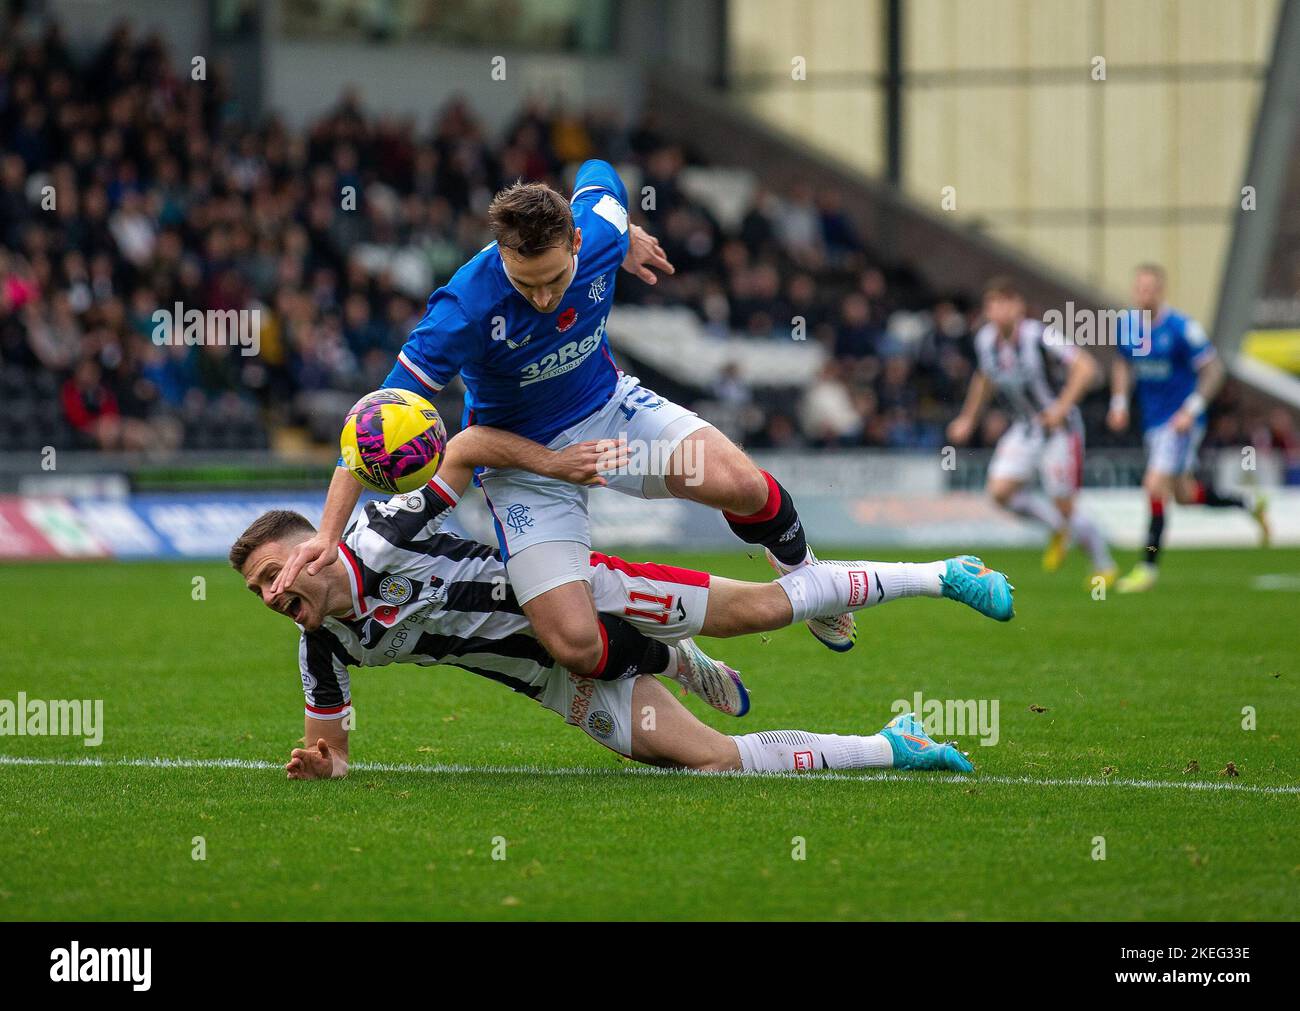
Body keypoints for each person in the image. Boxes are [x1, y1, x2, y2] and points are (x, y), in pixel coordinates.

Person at [271, 162, 857, 698]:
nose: (545, 297)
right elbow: (373, 425)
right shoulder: (463, 309)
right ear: (502, 256)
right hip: (520, 463)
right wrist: (327, 533)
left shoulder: (599, 227)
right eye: (527, 286)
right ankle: (675, 660)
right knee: (574, 642)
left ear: (578, 242)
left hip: (609, 412)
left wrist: (627, 237)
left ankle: (806, 575)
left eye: (554, 279)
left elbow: (599, 175)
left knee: (742, 484)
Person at [232, 432, 1017, 780]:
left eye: (273, 573)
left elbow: (465, 446)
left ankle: (944, 571)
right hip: (557, 680)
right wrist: (320, 765)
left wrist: (547, 461)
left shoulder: (385, 528)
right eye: (258, 590)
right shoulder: (322, 647)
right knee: (712, 761)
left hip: (581, 592)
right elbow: (331, 750)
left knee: (764, 608)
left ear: (312, 547)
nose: (271, 595)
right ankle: (892, 746)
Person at [1108, 264, 1269, 593]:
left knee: (1154, 486)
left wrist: (1191, 409)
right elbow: (1122, 363)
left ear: (1161, 291)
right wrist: (1119, 403)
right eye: (1139, 288)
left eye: (1150, 288)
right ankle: (1249, 504)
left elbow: (1213, 370)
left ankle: (1146, 567)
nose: (1144, 294)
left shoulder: (1182, 328)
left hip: (1180, 424)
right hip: (1154, 424)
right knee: (1184, 495)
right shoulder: (1127, 326)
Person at [947, 277, 1116, 587]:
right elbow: (984, 377)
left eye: (1004, 302)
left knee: (1065, 504)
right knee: (999, 492)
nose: (998, 310)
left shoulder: (1039, 335)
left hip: (1059, 430)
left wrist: (1061, 408)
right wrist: (968, 418)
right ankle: (1057, 528)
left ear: (1018, 307)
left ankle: (1103, 564)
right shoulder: (985, 340)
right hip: (1024, 428)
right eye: (992, 304)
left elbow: (1087, 367)